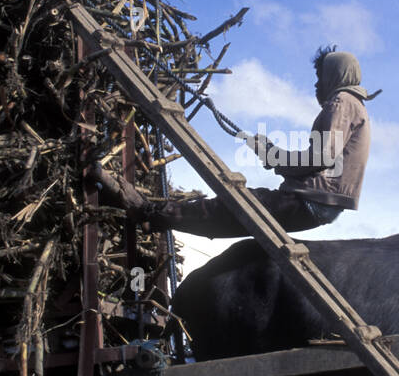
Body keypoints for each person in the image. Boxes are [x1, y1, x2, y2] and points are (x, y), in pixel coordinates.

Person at [91, 45, 377, 238]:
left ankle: (146, 212)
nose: (317, 85)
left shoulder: (342, 102)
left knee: (225, 209)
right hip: (320, 202)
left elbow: (321, 157)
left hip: (311, 199)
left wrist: (275, 157)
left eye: (320, 77)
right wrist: (273, 155)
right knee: (229, 217)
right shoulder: (356, 107)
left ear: (334, 75)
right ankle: (153, 217)